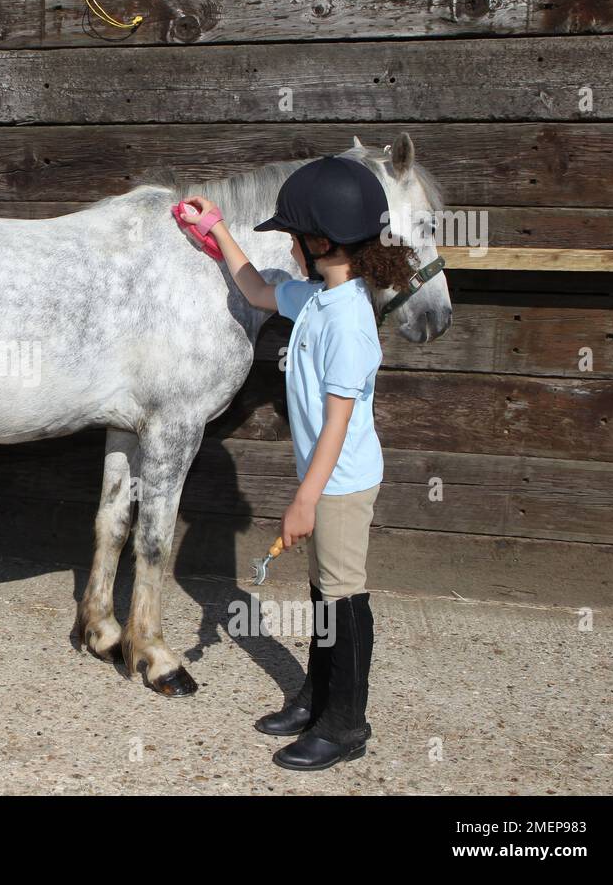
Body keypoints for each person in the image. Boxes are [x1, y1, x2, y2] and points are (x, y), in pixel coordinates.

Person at [181, 155, 417, 770]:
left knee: (344, 598)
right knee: (323, 593)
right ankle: (318, 698)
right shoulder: (316, 298)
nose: (288, 243)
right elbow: (257, 288)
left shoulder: (350, 322)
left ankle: (346, 725)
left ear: (319, 241)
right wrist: (218, 232)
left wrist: (306, 499)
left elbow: (338, 421)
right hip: (325, 478)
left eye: (292, 234)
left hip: (338, 481)